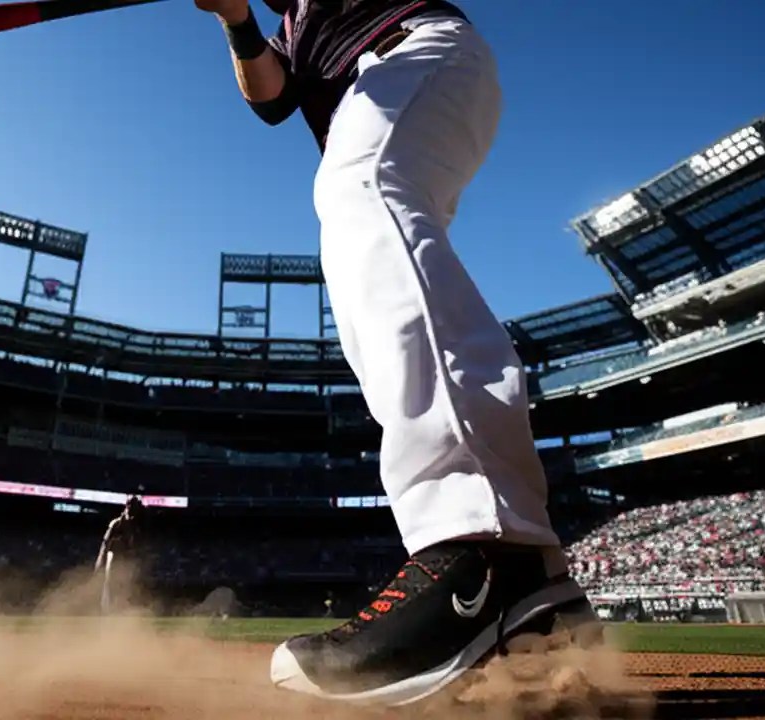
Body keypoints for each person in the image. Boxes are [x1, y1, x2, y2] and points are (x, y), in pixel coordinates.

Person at [194, 0, 596, 706]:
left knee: (362, 190)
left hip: (409, 48)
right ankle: (535, 600)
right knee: (360, 213)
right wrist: (233, 16)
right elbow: (271, 98)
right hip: (378, 87)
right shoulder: (294, 21)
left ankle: (486, 548)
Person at [94, 495, 145, 614]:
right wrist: (100, 561)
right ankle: (108, 614)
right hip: (114, 558)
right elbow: (105, 544)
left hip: (126, 561)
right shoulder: (116, 524)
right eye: (133, 506)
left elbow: (135, 546)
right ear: (128, 506)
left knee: (126, 590)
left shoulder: (134, 526)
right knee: (111, 589)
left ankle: (121, 614)